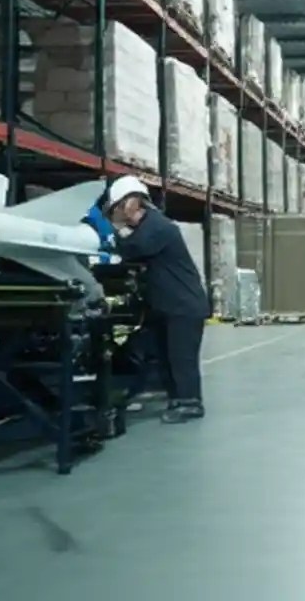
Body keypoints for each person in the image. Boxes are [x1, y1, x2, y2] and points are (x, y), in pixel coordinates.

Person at [101, 176, 210, 424]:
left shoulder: (158, 227)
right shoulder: (146, 228)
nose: (116, 214)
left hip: (184, 306)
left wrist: (112, 234)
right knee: (166, 355)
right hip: (168, 305)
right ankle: (177, 399)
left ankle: (191, 403)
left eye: (118, 208)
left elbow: (133, 250)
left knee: (182, 358)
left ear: (132, 202)